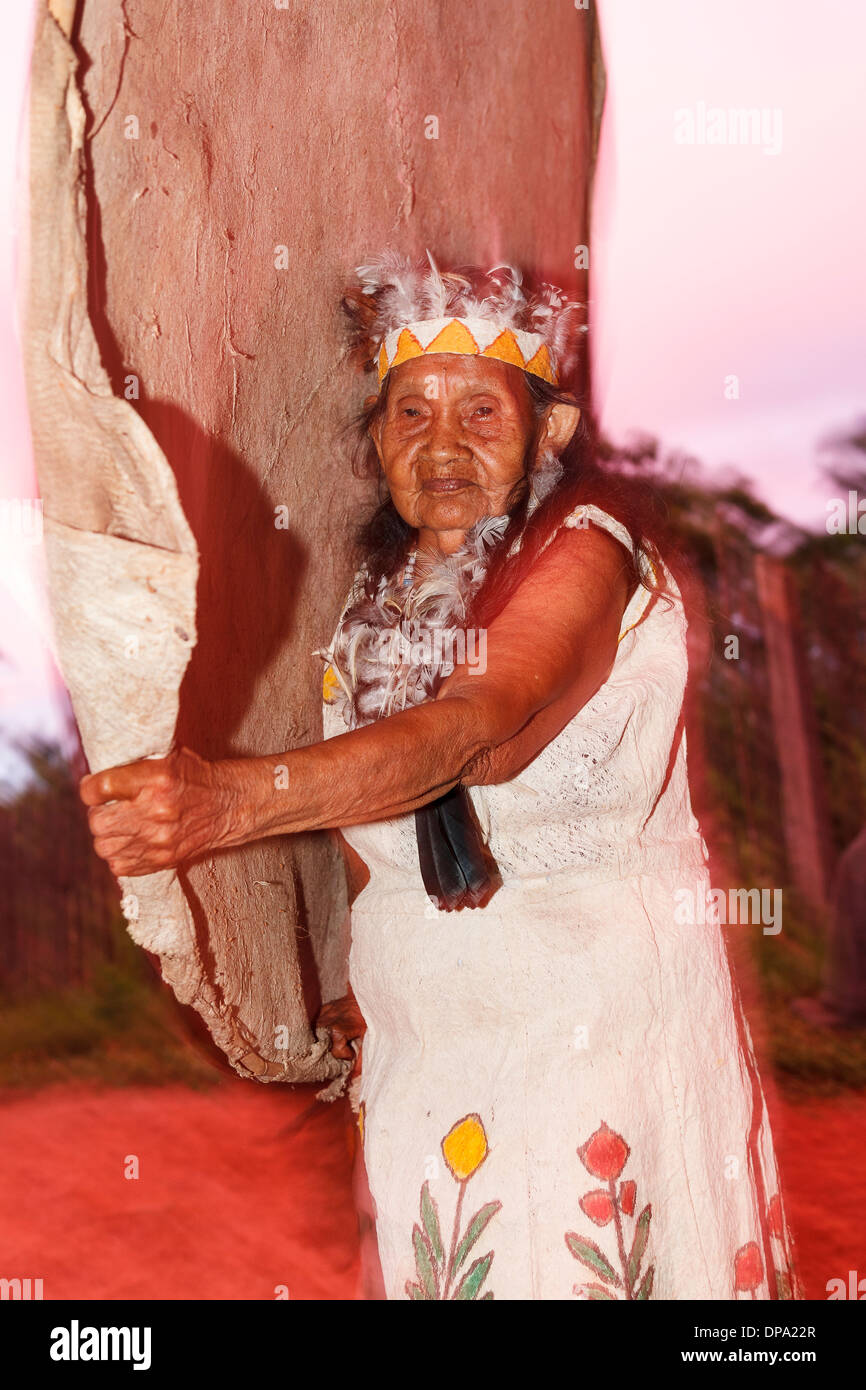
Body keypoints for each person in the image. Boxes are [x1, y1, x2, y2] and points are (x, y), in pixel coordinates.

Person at [81, 253, 798, 1300]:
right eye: (408, 414)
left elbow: (475, 733)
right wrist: (337, 988)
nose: (442, 443)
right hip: (428, 1047)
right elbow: (375, 843)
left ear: (547, 432)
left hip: (597, 1039)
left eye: (478, 410)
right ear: (375, 440)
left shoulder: (585, 554)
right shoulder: (371, 608)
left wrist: (227, 799)